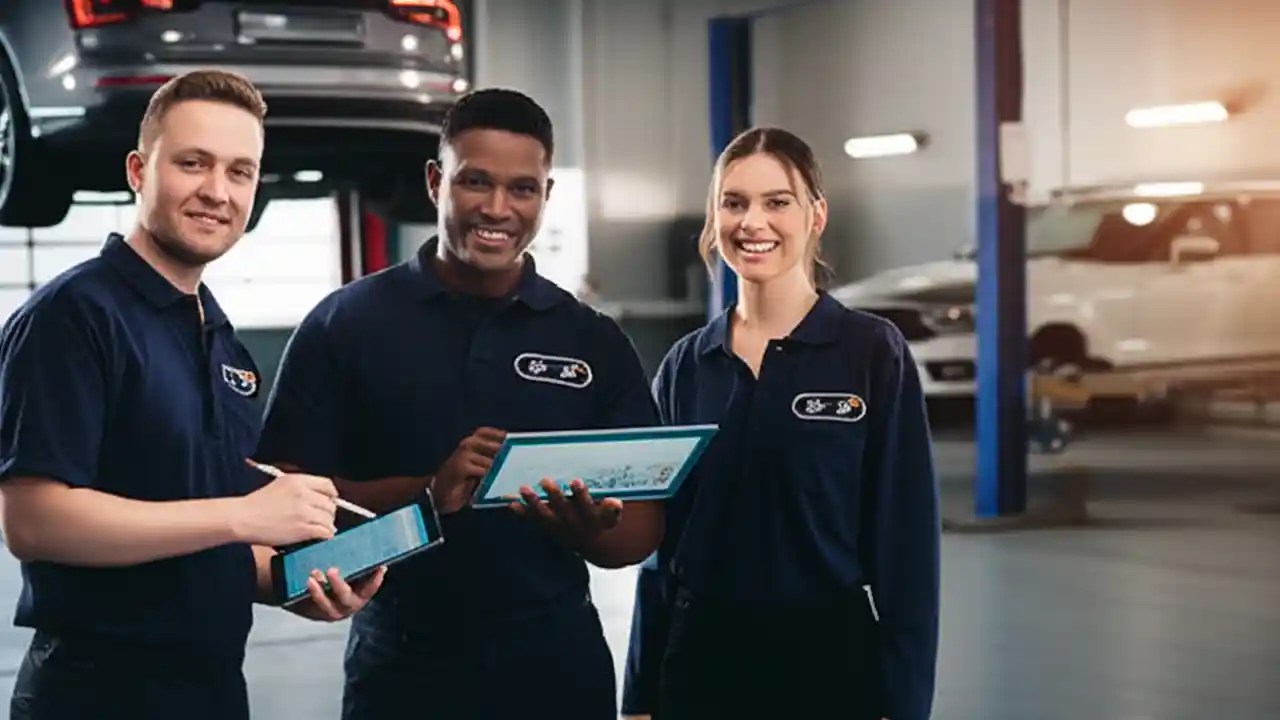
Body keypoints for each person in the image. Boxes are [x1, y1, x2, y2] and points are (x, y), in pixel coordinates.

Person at [255, 87, 664, 720]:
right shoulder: (347, 324)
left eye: (523, 189)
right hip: (403, 670)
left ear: (546, 196)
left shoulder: (591, 340)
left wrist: (586, 528)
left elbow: (638, 533)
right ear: (434, 181)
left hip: (557, 668)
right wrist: (427, 493)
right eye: (475, 181)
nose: (497, 209)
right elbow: (281, 502)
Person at [0, 69, 385, 720]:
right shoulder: (74, 316)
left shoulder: (222, 341)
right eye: (192, 163)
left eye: (240, 172)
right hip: (95, 694)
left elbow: (211, 537)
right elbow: (35, 522)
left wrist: (295, 583)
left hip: (211, 691)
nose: (217, 191)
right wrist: (245, 518)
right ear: (138, 170)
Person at [621, 127, 941, 720]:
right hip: (700, 664)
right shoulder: (686, 367)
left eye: (777, 202)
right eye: (734, 202)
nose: (753, 222)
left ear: (815, 214)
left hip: (826, 661)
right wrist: (639, 697)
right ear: (715, 219)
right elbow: (661, 552)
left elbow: (908, 549)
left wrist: (906, 703)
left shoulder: (871, 353)